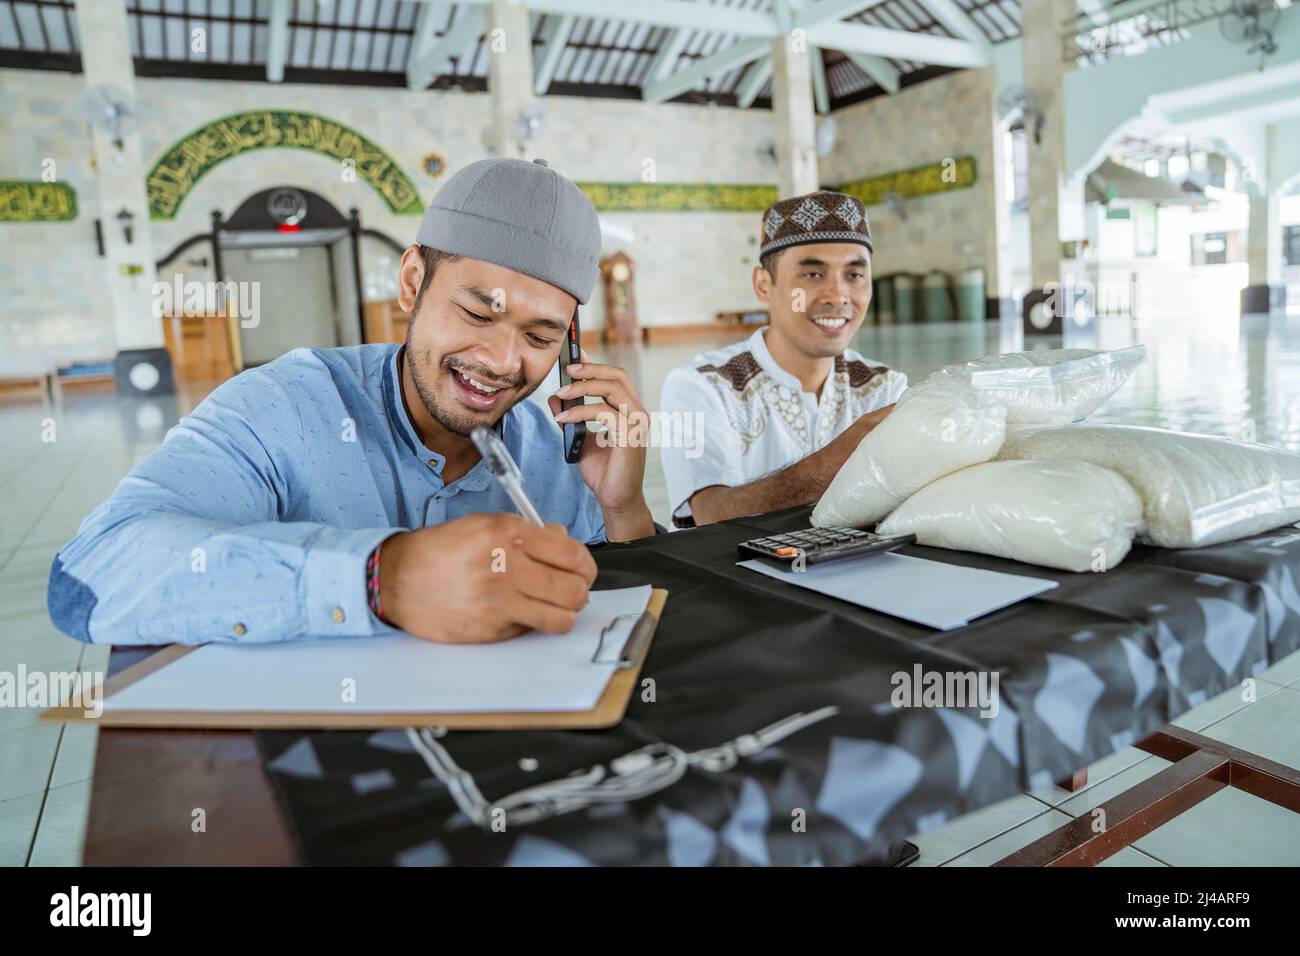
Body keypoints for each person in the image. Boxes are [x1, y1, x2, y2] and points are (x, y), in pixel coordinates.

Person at [48, 158, 655, 646]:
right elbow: (90, 576)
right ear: (413, 282)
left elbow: (626, 633)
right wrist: (383, 577)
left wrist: (623, 506)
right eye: (477, 313)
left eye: (540, 336)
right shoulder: (283, 409)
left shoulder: (560, 450)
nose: (502, 361)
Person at [659, 190, 907, 527]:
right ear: (763, 285)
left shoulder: (884, 387)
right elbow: (709, 515)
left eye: (855, 275)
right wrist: (833, 462)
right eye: (813, 275)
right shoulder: (702, 386)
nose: (838, 295)